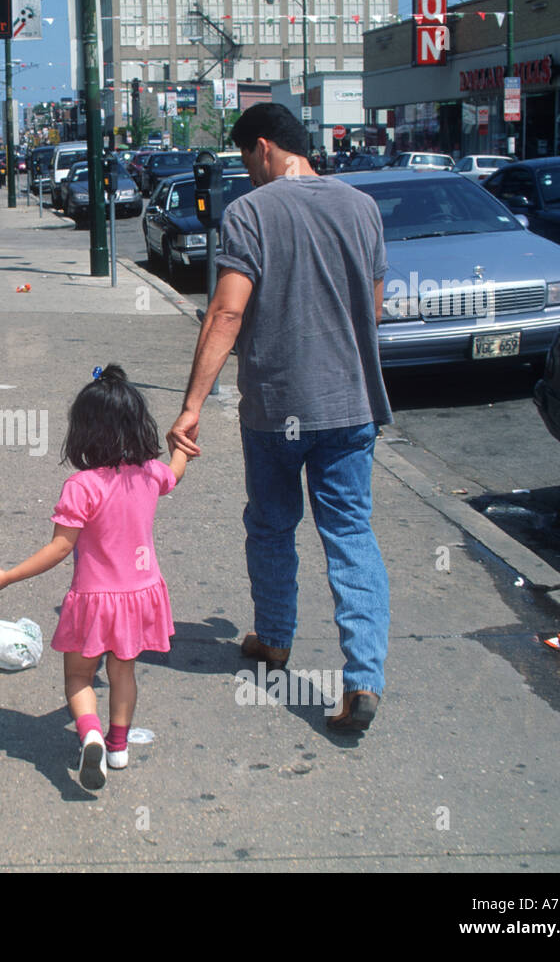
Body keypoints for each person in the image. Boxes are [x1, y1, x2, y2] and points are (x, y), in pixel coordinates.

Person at [166, 102, 391, 734]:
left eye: (244, 158)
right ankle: (363, 678)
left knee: (270, 525)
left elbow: (228, 313)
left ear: (263, 148)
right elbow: (372, 308)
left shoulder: (251, 213)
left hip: (275, 408)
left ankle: (274, 637)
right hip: (351, 406)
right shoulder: (362, 207)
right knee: (350, 534)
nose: (246, 171)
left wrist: (191, 407)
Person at [0, 365, 188, 790]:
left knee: (78, 676)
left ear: (84, 432)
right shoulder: (151, 473)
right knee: (123, 674)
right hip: (140, 595)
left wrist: (9, 577)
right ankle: (118, 745)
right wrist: (180, 446)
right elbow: (176, 473)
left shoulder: (81, 485)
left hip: (94, 599)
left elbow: (59, 548)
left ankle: (90, 733)